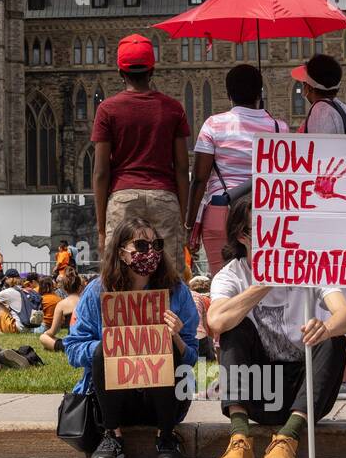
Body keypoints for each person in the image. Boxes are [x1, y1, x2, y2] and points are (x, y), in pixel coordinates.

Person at [206, 199, 346, 458]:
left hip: (305, 389)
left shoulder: (309, 264)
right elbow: (216, 321)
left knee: (333, 336)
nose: (278, 235)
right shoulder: (231, 275)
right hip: (259, 388)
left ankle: (288, 437)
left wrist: (324, 328)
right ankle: (239, 438)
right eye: (266, 228)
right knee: (233, 327)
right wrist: (265, 282)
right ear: (243, 236)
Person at [64, 216, 198, 458]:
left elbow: (192, 357)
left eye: (156, 245)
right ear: (122, 252)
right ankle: (111, 437)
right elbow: (72, 349)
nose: (151, 253)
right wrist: (113, 343)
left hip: (164, 400)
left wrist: (176, 338)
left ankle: (166, 437)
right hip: (112, 400)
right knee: (103, 347)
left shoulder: (177, 291)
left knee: (167, 347)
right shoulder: (97, 291)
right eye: (141, 246)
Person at [293, 53, 346, 400]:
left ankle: (341, 376)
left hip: (335, 208)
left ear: (309, 85)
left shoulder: (321, 113)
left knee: (340, 287)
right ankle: (340, 374)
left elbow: (323, 166)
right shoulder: (345, 109)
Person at [92, 34, 190, 268]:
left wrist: (101, 228)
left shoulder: (107, 110)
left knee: (120, 275)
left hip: (123, 196)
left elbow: (101, 172)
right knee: (170, 275)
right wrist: (184, 218)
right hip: (164, 197)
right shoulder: (173, 108)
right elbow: (182, 168)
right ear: (152, 70)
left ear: (120, 71)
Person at [185, 64, 287, 276]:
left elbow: (199, 179)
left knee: (222, 284)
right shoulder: (279, 128)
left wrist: (188, 225)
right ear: (260, 92)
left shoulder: (213, 125)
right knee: (263, 283)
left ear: (229, 94)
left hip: (221, 212)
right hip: (265, 213)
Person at [40, 267, 83, 352]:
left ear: (64, 288)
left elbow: (52, 331)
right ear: (80, 287)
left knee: (43, 337)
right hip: (88, 342)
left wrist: (46, 333)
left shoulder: (61, 304)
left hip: (71, 345)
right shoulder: (86, 301)